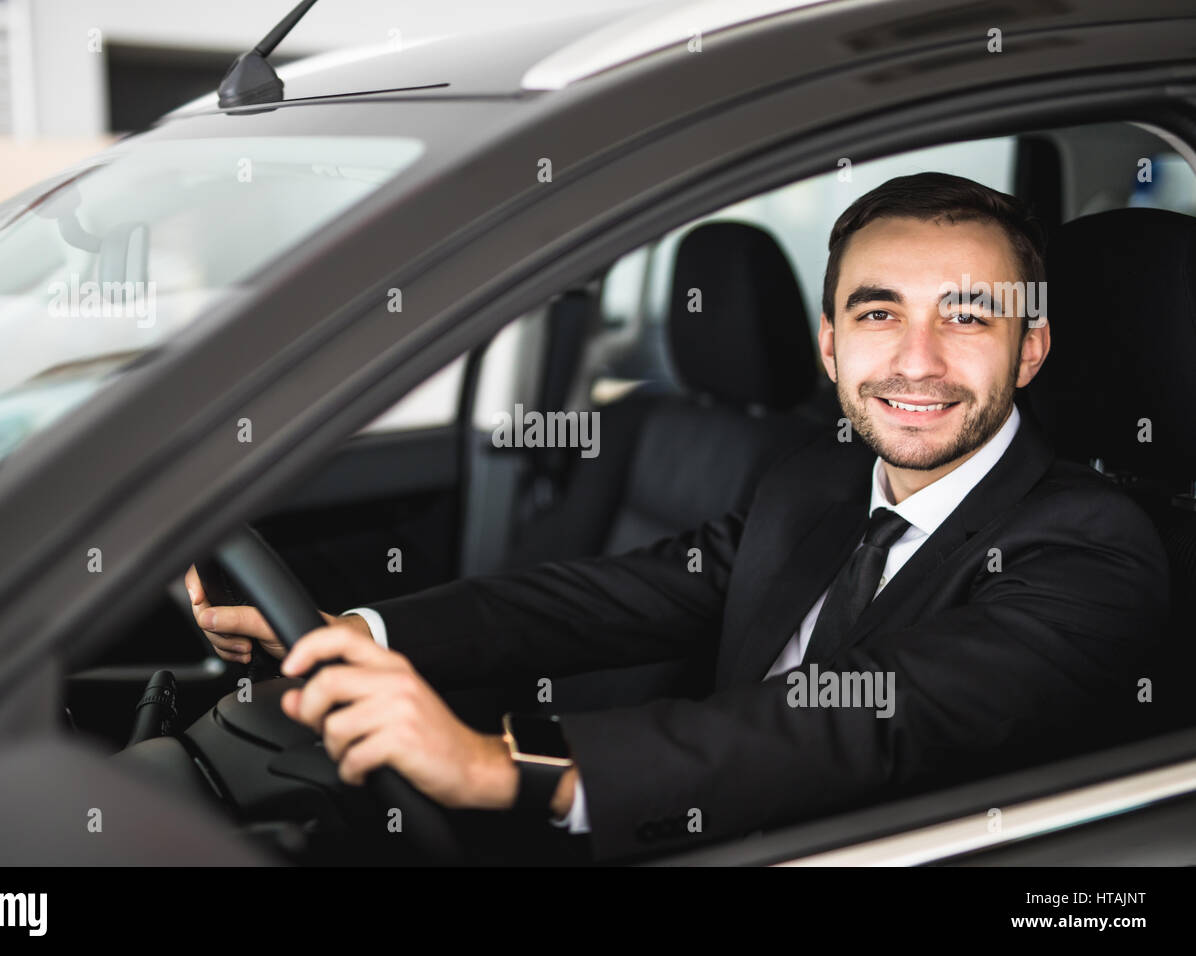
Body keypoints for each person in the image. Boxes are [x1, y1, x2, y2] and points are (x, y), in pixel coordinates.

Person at [185, 172, 1169, 862]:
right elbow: (610, 597)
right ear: (829, 346)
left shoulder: (1090, 547)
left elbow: (855, 722)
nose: (916, 360)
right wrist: (355, 629)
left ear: (1028, 350)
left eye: (964, 315)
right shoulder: (818, 477)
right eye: (877, 314)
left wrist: (510, 772)